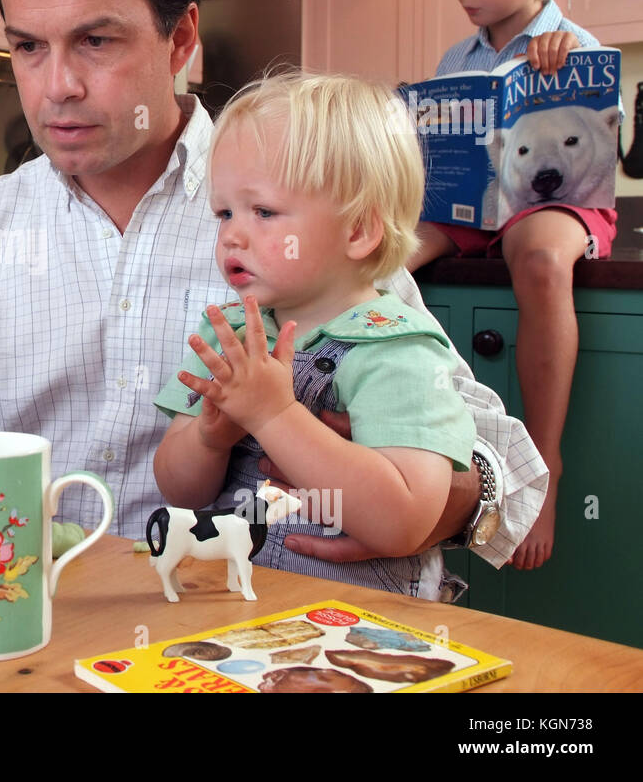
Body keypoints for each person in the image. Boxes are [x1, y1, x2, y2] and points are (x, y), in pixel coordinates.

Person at [0, 0, 547, 578]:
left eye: (95, 40)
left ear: (180, 39)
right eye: (28, 46)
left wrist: (424, 494)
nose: (56, 86)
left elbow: (505, 475)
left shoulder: (295, 209)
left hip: (239, 641)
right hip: (38, 626)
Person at [152, 73, 475, 599]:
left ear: (357, 231)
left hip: (362, 625)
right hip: (236, 609)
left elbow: (405, 521)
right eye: (224, 213)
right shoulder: (232, 332)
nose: (231, 233)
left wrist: (274, 415)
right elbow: (178, 488)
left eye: (263, 211)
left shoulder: (399, 349)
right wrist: (209, 437)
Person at [405, 0, 611, 570]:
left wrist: (565, 70)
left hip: (551, 205)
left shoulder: (572, 44)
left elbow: (611, 141)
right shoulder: (455, 62)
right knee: (384, 257)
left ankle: (542, 468)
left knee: (544, 262)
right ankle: (406, 438)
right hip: (473, 205)